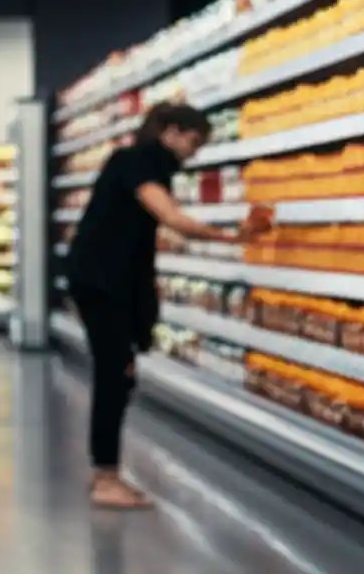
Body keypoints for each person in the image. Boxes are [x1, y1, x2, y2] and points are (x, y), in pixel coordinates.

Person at [65, 102, 262, 509]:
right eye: (193, 141)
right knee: (114, 374)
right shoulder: (138, 161)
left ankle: (107, 471)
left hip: (109, 281)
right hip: (102, 283)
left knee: (120, 373)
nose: (194, 152)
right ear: (170, 132)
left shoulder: (139, 164)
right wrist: (233, 239)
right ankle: (105, 478)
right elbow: (171, 218)